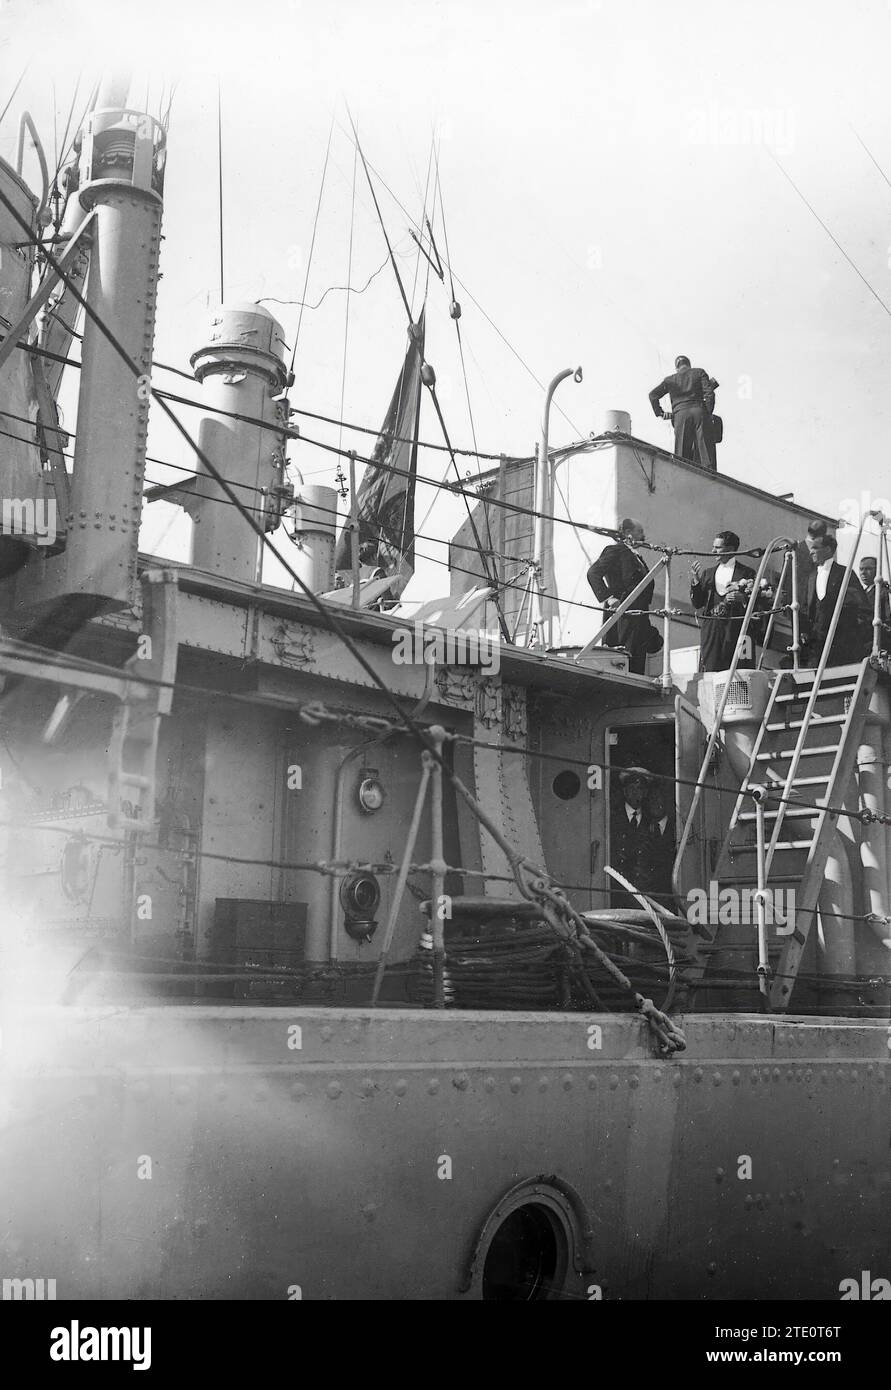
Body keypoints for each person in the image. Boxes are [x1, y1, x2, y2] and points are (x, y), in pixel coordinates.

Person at [587, 518, 663, 675]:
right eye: (640, 532)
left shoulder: (636, 557)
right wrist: (609, 598)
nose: (644, 536)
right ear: (628, 533)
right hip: (622, 617)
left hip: (638, 618)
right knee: (623, 661)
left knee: (636, 665)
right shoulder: (616, 551)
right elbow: (593, 573)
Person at [690, 530, 762, 672]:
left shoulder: (746, 573)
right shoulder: (708, 573)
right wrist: (696, 581)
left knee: (738, 669)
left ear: (730, 549)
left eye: (717, 548)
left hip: (735, 627)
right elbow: (698, 603)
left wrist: (742, 598)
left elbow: (757, 603)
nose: (713, 551)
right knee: (711, 668)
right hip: (712, 630)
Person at [801, 531, 871, 667]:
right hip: (816, 644)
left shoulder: (844, 573)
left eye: (815, 548)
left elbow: (860, 606)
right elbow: (807, 607)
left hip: (839, 642)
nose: (811, 552)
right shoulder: (811, 577)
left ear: (827, 549)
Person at [648, 355, 718, 472]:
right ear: (689, 365)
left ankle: (682, 475)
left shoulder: (669, 380)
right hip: (699, 412)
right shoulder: (699, 372)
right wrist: (707, 412)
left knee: (682, 456)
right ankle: (710, 475)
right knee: (706, 453)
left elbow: (652, 395)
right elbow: (709, 394)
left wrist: (660, 413)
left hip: (680, 416)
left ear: (676, 368)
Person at [610, 767, 653, 907]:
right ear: (624, 791)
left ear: (646, 793)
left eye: (640, 788)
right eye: (631, 788)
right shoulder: (611, 818)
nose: (636, 792)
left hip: (644, 891)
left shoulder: (652, 820)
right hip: (616, 890)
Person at [643, 782, 676, 907]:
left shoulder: (676, 828)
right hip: (649, 897)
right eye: (651, 799)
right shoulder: (643, 827)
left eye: (658, 798)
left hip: (670, 896)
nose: (655, 803)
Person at [858, 556, 891, 645]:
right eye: (861, 569)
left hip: (880, 639)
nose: (863, 573)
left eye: (868, 569)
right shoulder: (862, 593)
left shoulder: (883, 592)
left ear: (877, 571)